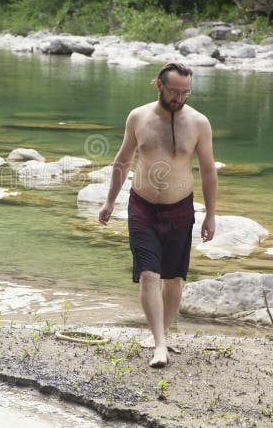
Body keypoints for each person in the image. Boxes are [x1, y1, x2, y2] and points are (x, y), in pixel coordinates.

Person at [98, 62, 217, 368]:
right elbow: (122, 161)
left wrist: (211, 215)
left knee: (174, 279)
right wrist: (110, 201)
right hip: (142, 207)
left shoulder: (199, 123)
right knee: (149, 275)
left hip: (180, 208)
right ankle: (160, 345)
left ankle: (162, 332)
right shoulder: (138, 117)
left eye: (185, 92)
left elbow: (207, 171)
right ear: (159, 86)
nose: (180, 98)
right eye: (174, 91)